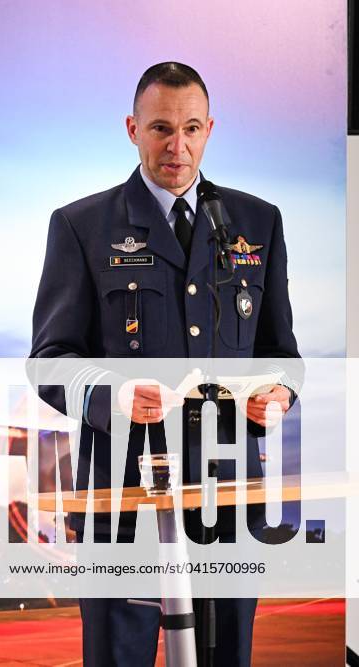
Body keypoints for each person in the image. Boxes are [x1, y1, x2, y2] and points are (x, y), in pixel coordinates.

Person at [30, 62, 300, 666]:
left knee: (226, 654)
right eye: (159, 128)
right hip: (119, 494)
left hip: (227, 493)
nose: (176, 146)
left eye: (191, 128)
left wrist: (276, 396)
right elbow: (49, 364)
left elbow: (283, 358)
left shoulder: (258, 224)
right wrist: (113, 399)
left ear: (210, 130)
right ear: (132, 128)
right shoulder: (81, 227)